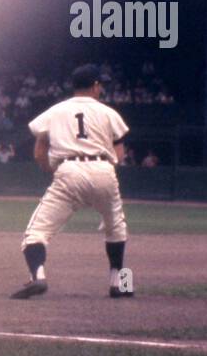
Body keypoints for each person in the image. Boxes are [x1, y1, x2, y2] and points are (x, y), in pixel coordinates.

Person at [12, 65, 132, 300]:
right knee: (115, 226)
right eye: (101, 85)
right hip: (103, 169)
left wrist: (52, 169)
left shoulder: (55, 111)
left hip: (69, 169)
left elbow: (39, 150)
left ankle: (38, 277)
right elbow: (119, 148)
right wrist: (107, 169)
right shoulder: (108, 112)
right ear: (95, 86)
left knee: (36, 232)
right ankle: (118, 284)